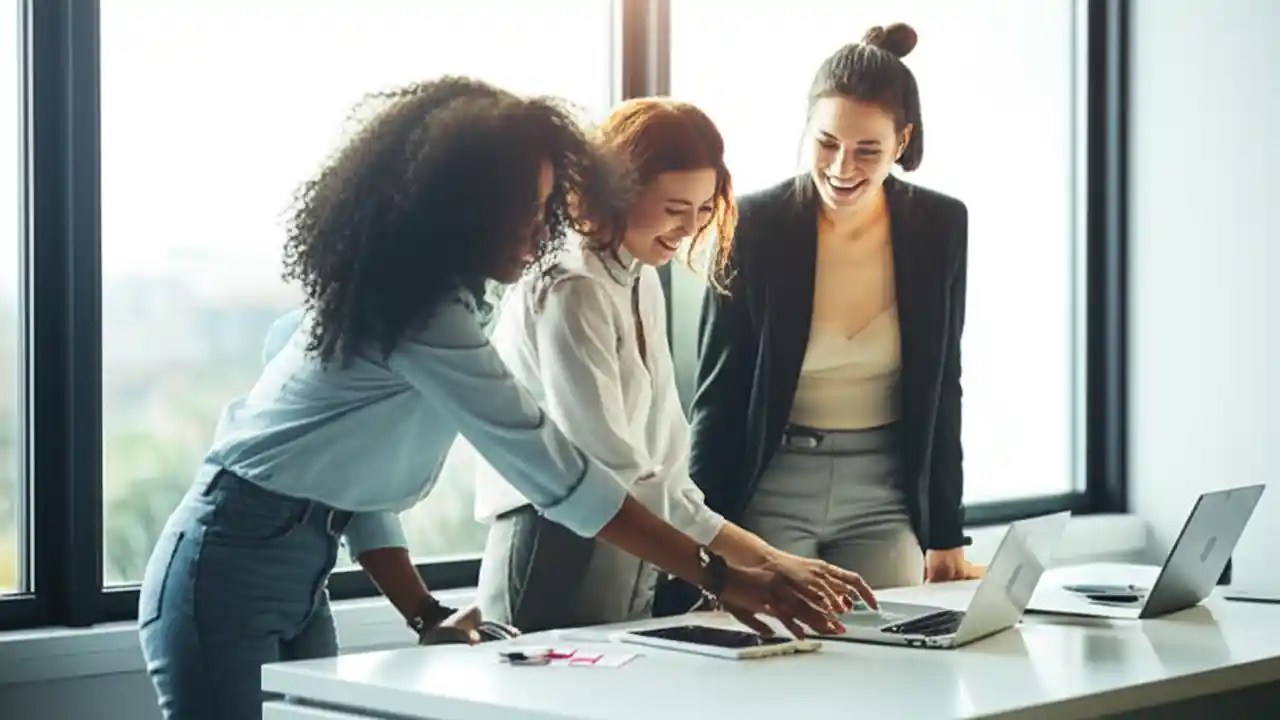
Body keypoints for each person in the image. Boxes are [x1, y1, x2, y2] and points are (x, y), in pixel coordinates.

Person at [136, 77, 860, 720]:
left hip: (297, 562)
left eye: (544, 205)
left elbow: (352, 483)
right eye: (518, 210)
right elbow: (562, 475)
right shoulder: (420, 313)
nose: (536, 228)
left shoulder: (437, 302)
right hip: (227, 558)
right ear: (456, 208)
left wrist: (424, 612)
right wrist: (720, 574)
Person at [468, 98, 875, 632]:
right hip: (556, 543)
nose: (690, 227)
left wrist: (769, 560)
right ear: (617, 191)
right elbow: (612, 473)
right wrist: (731, 573)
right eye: (674, 207)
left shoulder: (639, 277)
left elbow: (665, 470)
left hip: (632, 539)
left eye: (704, 208)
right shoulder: (572, 287)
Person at [689, 24, 983, 590]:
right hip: (773, 481)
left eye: (868, 150)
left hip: (884, 491)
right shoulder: (755, 226)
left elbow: (944, 382)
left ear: (902, 142)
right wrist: (702, 544)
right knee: (780, 648)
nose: (843, 167)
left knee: (891, 642)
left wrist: (947, 532)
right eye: (827, 143)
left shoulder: (942, 225)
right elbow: (717, 395)